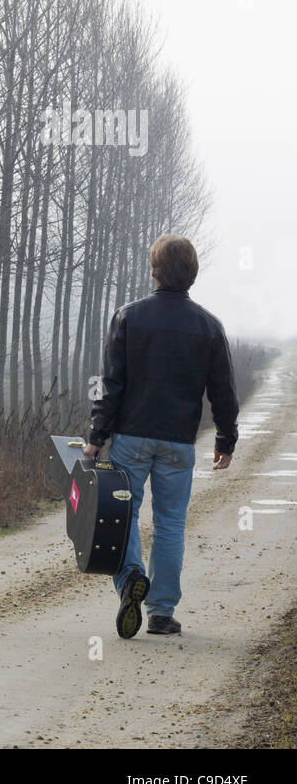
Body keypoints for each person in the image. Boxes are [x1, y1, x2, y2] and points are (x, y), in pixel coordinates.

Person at [84, 234, 239, 639]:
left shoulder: (128, 317)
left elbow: (110, 385)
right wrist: (226, 439)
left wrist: (96, 435)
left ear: (153, 271)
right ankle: (162, 613)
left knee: (123, 517)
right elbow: (222, 391)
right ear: (193, 274)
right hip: (178, 443)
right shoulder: (209, 326)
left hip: (131, 437)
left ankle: (131, 579)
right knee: (170, 524)